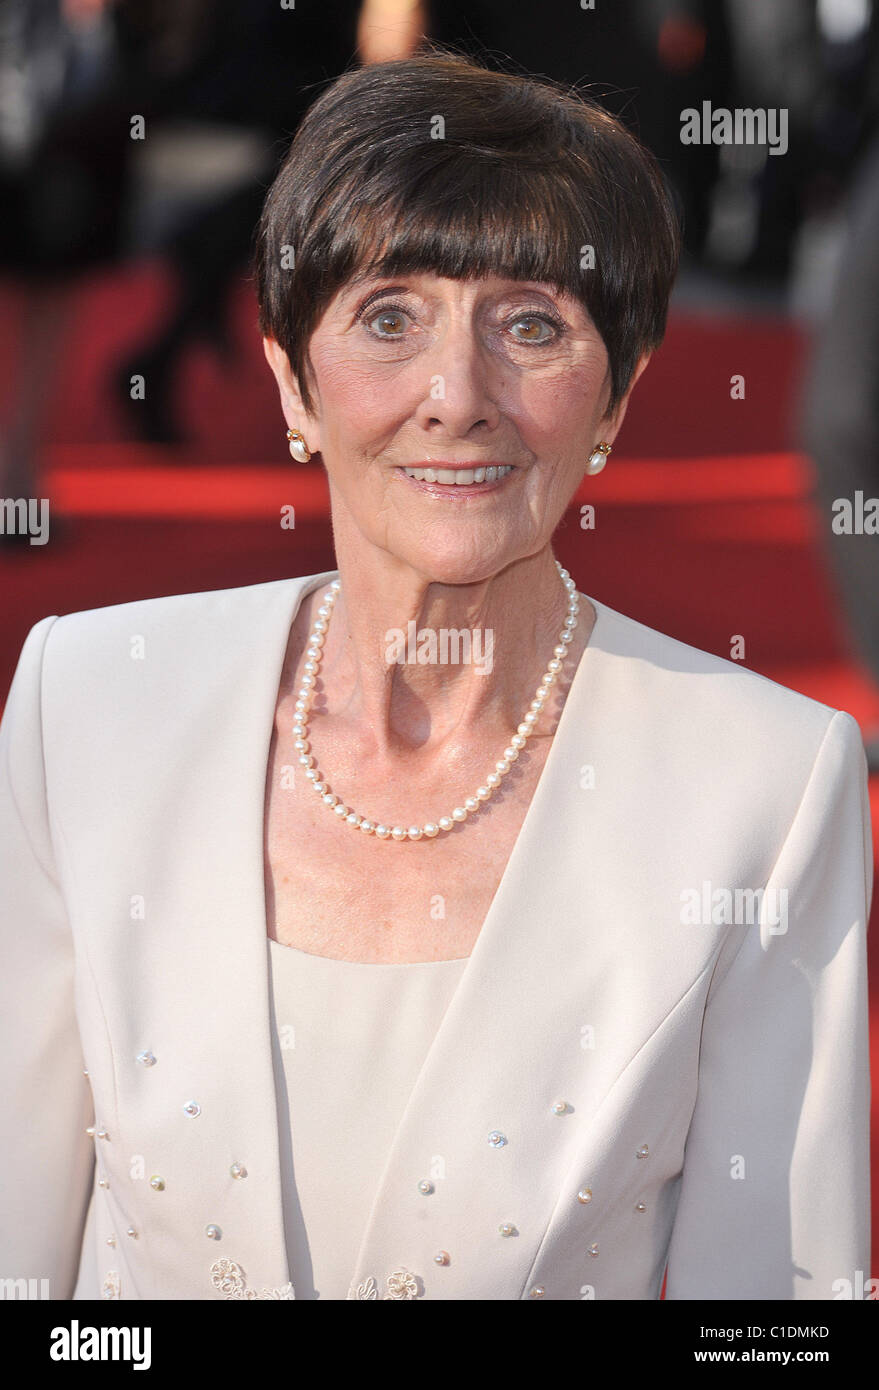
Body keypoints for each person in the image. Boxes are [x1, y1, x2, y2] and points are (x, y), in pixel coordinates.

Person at [0, 50, 870, 1302]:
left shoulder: (769, 784)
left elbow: (772, 1312)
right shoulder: (84, 704)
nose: (458, 397)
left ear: (618, 395)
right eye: (390, 316)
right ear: (292, 377)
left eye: (531, 325)